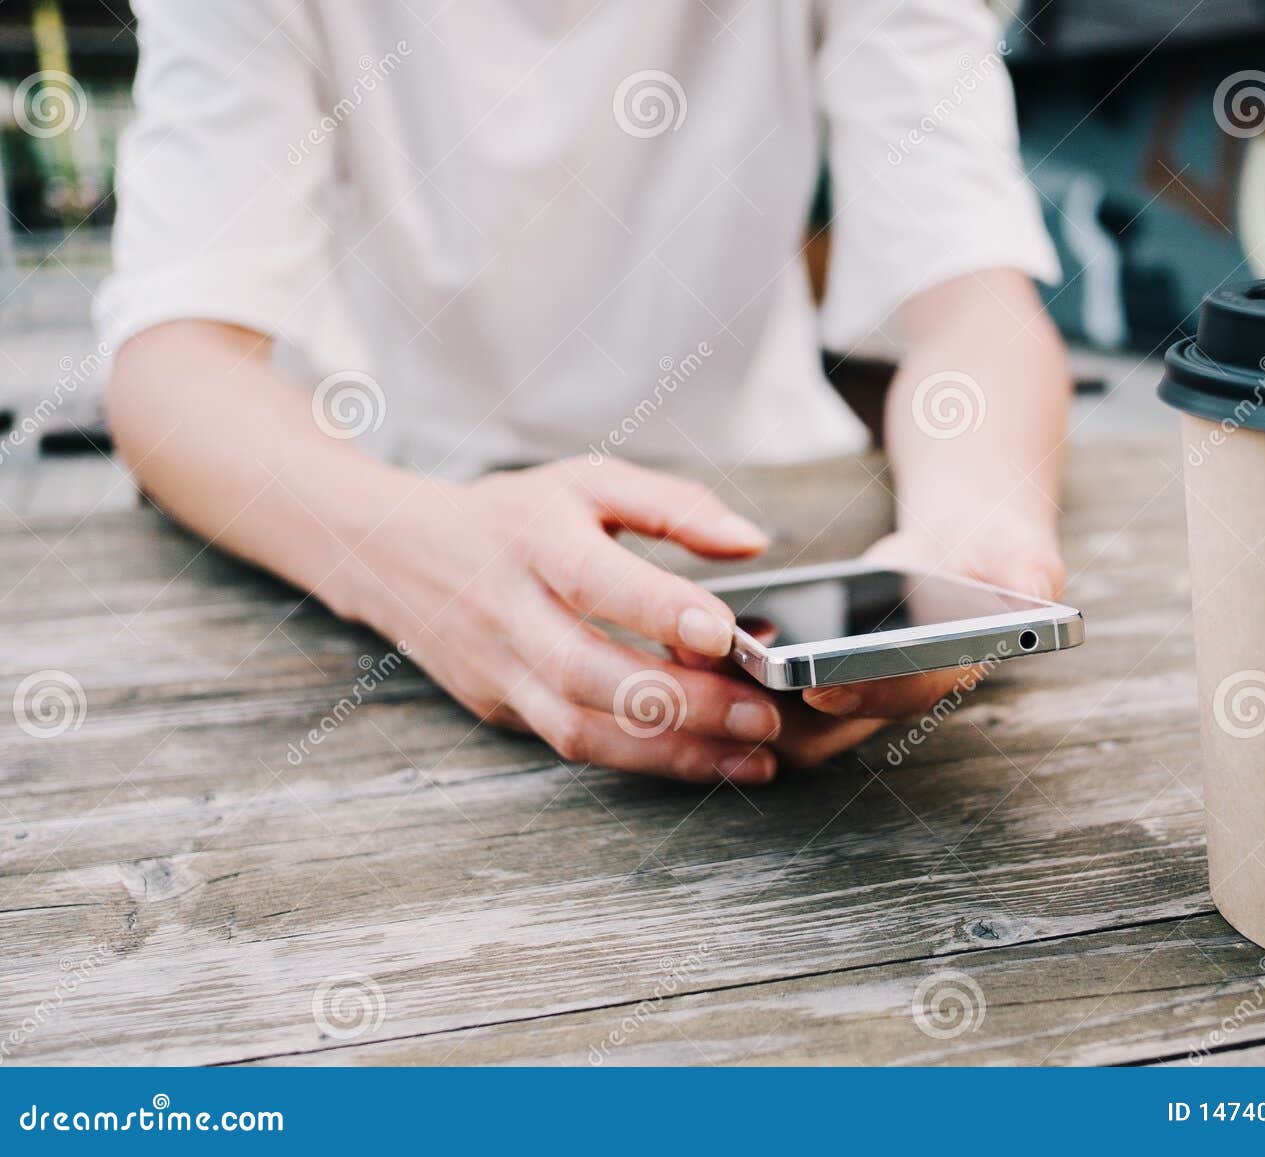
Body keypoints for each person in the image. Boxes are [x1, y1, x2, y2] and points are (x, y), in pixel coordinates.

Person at [98, 1, 1071, 786]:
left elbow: (975, 303)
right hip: (373, 504)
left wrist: (973, 525)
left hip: (756, 514)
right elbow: (172, 362)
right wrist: (405, 555)